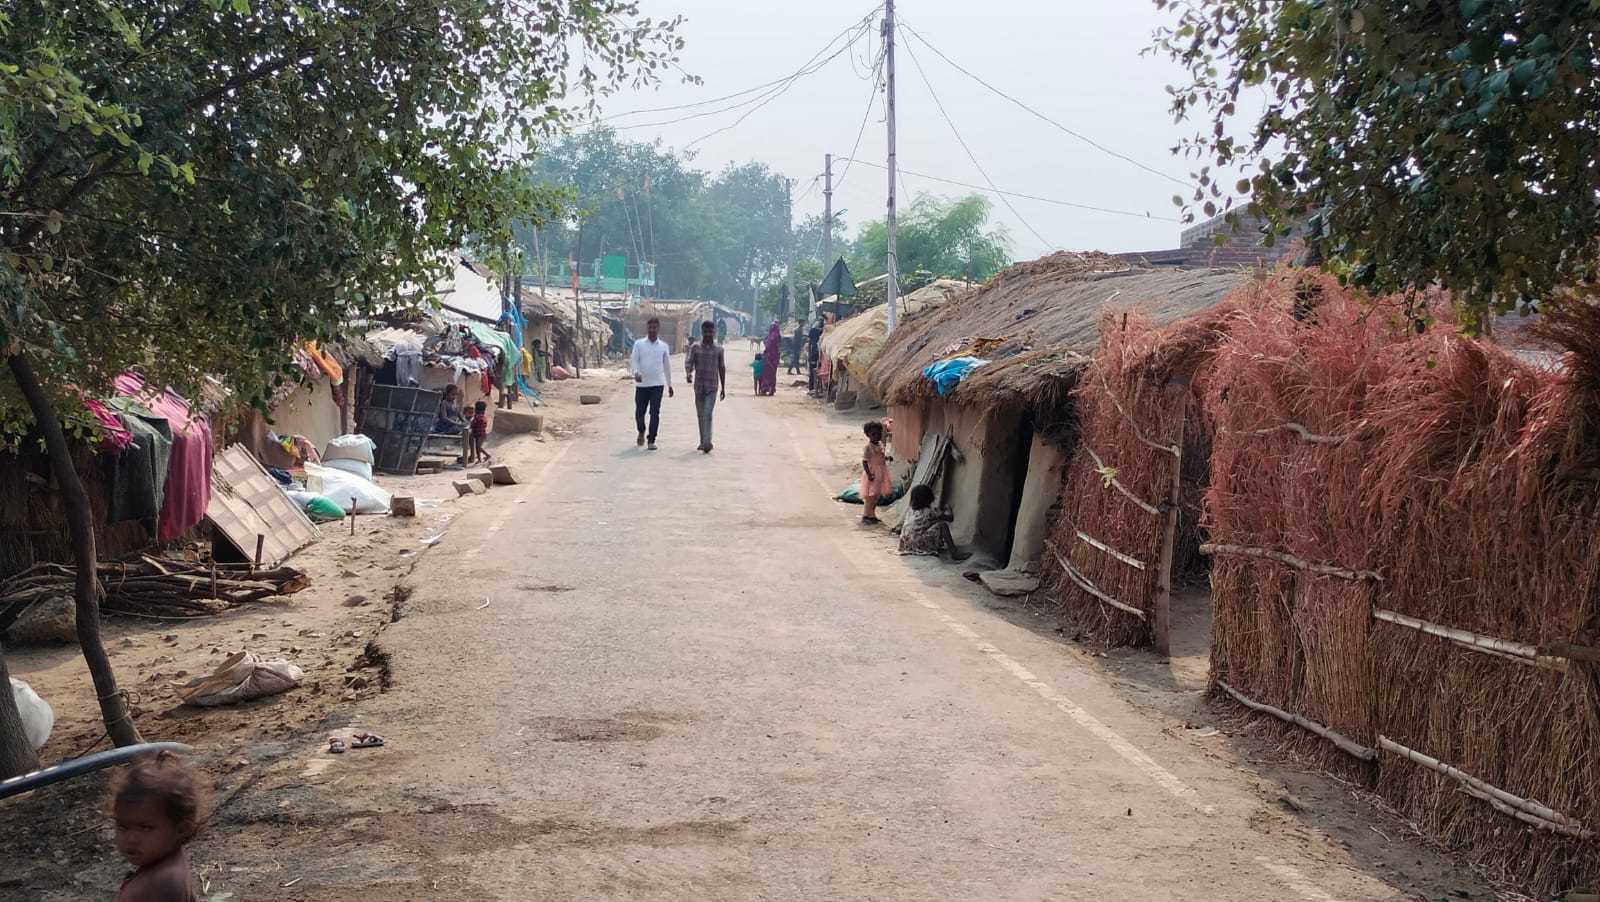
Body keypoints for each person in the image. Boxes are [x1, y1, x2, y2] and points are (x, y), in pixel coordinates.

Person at [112, 750, 204, 902]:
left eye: (145, 828)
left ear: (181, 828)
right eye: (123, 827)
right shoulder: (165, 865)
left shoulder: (167, 881)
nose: (131, 838)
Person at [628, 316, 674, 450]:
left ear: (658, 329)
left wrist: (669, 385)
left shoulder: (664, 347)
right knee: (639, 413)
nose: (652, 330)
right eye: (650, 327)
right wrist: (636, 373)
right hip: (642, 385)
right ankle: (641, 430)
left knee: (655, 412)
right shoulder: (639, 344)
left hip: (657, 385)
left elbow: (667, 367)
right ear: (647, 328)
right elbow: (634, 361)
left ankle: (651, 440)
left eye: (655, 327)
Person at [684, 319, 726, 453]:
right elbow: (689, 362)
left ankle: (708, 441)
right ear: (702, 332)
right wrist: (689, 374)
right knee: (701, 414)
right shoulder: (695, 347)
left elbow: (722, 367)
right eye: (705, 331)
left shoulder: (719, 349)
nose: (708, 334)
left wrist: (723, 388)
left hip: (712, 387)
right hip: (699, 386)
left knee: (708, 413)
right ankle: (703, 441)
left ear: (714, 333)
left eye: (710, 331)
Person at [898, 484, 969, 560]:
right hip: (918, 543)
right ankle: (955, 553)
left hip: (905, 545)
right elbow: (949, 518)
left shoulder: (910, 510)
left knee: (933, 525)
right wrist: (948, 509)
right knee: (942, 525)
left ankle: (934, 545)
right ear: (928, 498)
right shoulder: (930, 511)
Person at [860, 420, 893, 524]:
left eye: (878, 433)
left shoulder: (880, 445)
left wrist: (887, 458)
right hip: (872, 473)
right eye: (873, 434)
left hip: (881, 472)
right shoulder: (868, 448)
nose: (876, 436)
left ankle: (872, 514)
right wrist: (869, 474)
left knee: (876, 495)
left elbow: (881, 456)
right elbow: (864, 462)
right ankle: (866, 515)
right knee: (870, 496)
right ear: (868, 435)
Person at [760, 321, 780, 395]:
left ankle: (765, 388)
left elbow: (768, 346)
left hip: (769, 357)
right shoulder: (778, 336)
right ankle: (772, 389)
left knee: (766, 373)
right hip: (775, 357)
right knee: (773, 374)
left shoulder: (771, 336)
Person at [468, 400, 491, 464]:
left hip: (481, 435)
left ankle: (487, 455)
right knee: (477, 447)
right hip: (479, 434)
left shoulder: (479, 417)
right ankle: (479, 459)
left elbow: (474, 424)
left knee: (478, 447)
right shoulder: (480, 417)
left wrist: (472, 425)